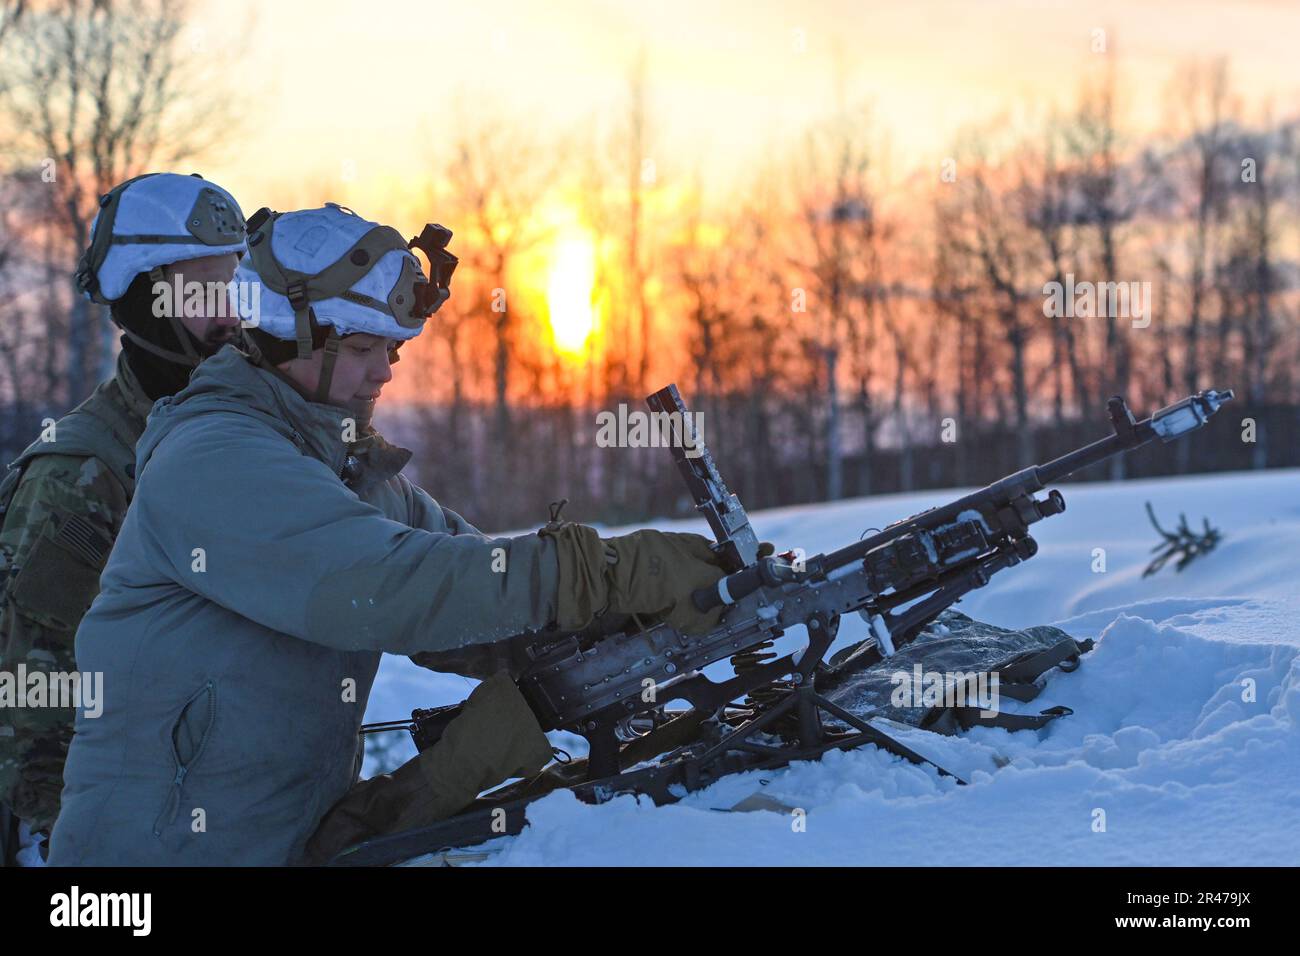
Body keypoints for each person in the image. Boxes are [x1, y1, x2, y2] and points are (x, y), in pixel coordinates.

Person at [48, 202, 729, 865]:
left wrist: (622, 618)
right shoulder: (214, 455)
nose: (387, 370)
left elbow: (469, 588)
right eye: (367, 347)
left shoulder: (344, 464)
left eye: (394, 347)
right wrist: (607, 571)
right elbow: (390, 587)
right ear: (294, 336)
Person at [0, 173, 246, 866]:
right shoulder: (83, 474)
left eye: (234, 284)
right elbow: (31, 699)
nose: (230, 312)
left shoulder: (234, 439)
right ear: (145, 298)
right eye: (203, 289)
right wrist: (79, 844)